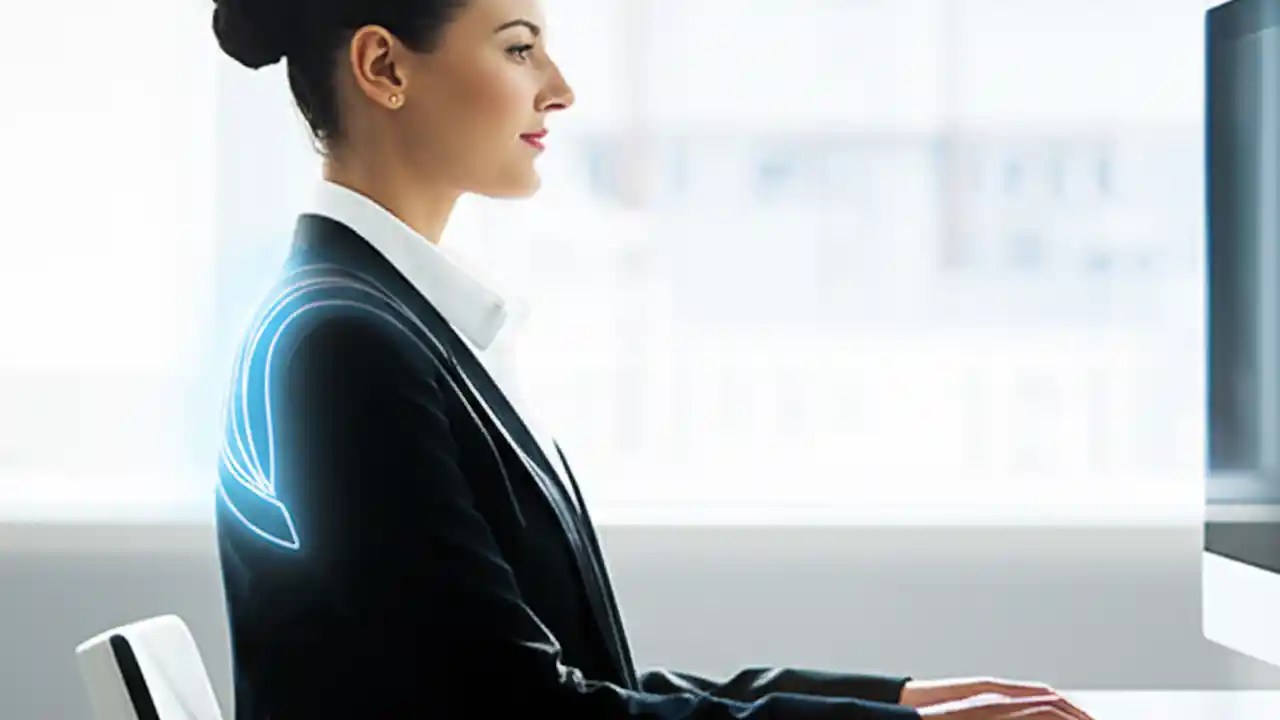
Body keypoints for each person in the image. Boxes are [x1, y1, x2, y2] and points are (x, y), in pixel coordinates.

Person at [209, 0, 1098, 718]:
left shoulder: (378, 322)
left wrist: (894, 702)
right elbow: (519, 710)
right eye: (519, 49)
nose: (558, 90)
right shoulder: (342, 345)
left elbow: (578, 685)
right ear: (385, 67)